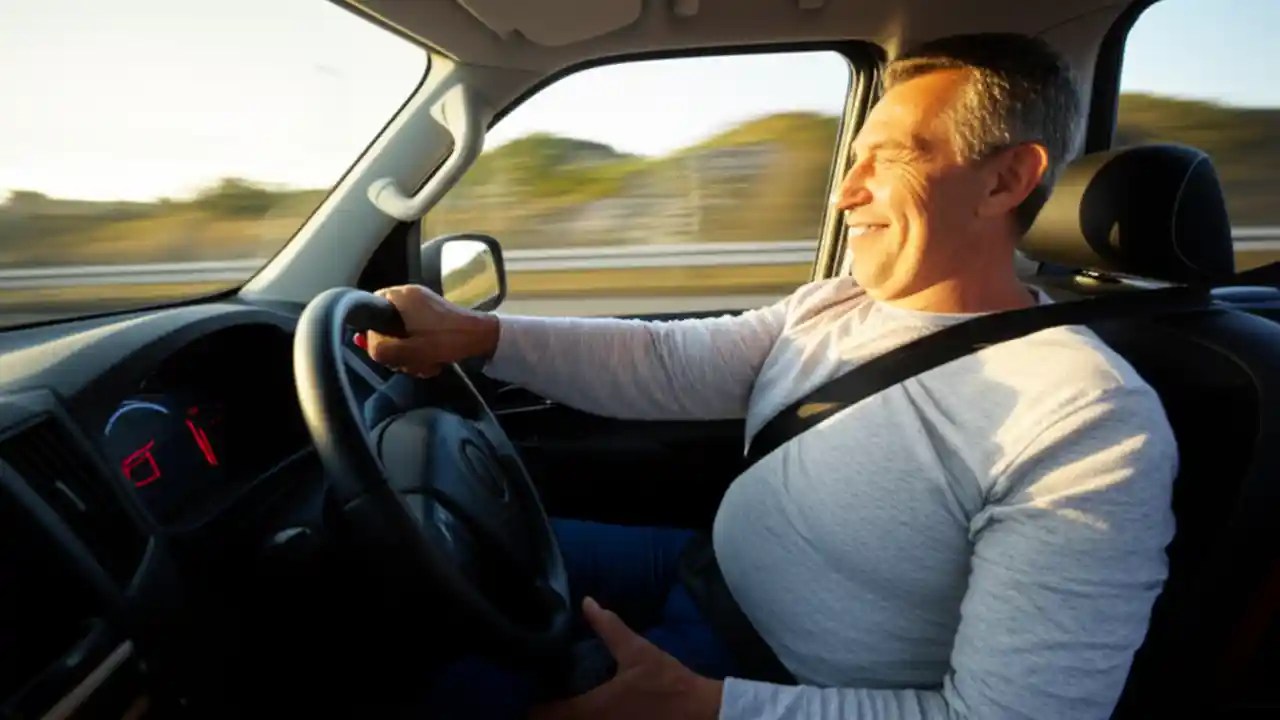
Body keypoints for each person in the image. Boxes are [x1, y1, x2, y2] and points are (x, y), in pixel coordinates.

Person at [365, 33, 1177, 720]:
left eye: (886, 159)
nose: (842, 195)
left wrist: (708, 704)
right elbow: (669, 363)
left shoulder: (1085, 417)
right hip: (699, 570)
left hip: (767, 681)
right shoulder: (840, 302)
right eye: (851, 160)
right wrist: (473, 334)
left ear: (1004, 179)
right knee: (416, 560)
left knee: (443, 690)